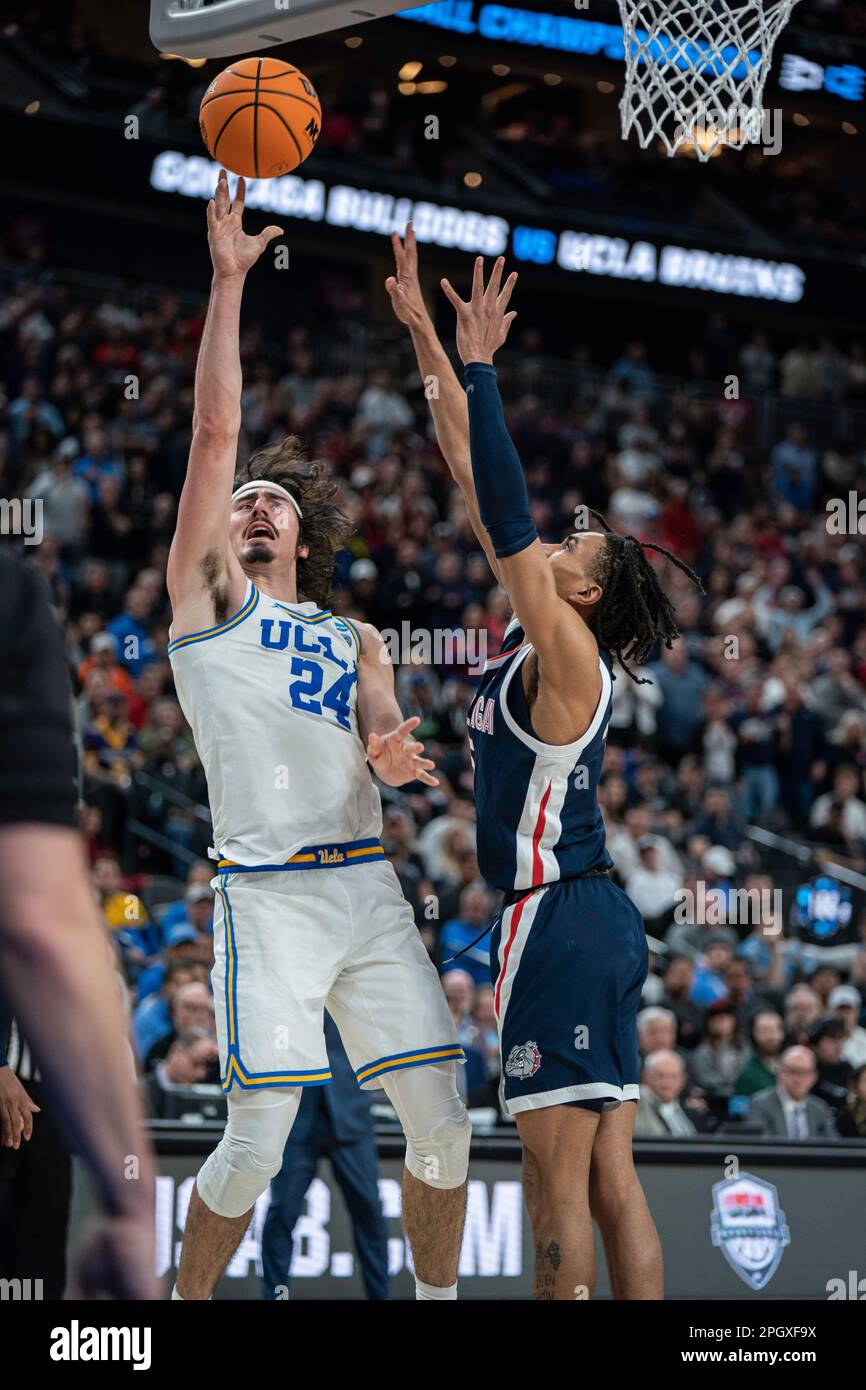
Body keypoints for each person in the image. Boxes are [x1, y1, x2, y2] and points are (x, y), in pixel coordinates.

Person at [167, 174, 469, 1302]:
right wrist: (228, 281)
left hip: (367, 887)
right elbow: (213, 429)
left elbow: (385, 727)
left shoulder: (354, 635)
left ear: (303, 530)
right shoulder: (204, 602)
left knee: (442, 1127)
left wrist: (390, 751)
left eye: (272, 504)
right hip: (267, 894)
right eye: (242, 499)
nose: (252, 507)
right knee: (253, 1144)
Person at [389, 229, 707, 1300]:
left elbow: (510, 511)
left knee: (552, 1182)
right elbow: (471, 476)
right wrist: (431, 346)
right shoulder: (551, 630)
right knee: (612, 1176)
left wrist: (482, 367)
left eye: (581, 547)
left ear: (582, 590)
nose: (565, 540)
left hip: (559, 919)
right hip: (585, 917)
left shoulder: (567, 649)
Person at [0, 551, 157, 1299]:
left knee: (33, 1276)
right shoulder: (14, 596)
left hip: (40, 1090)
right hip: (11, 1076)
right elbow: (37, 919)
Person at [261, 1015, 389, 1301]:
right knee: (282, 1211)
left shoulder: (357, 973)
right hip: (296, 1109)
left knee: (369, 1211)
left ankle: (381, 1296)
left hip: (350, 1107)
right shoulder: (288, 972)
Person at [748, 1046, 835, 1138]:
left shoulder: (820, 1108)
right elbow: (761, 1145)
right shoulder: (760, 1104)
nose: (798, 1079)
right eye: (793, 1071)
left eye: (805, 1073)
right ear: (780, 1073)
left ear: (814, 1077)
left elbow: (832, 1144)